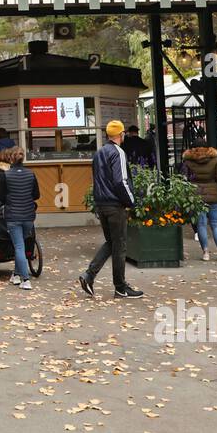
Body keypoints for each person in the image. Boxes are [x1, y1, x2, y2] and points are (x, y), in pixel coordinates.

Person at [78, 120, 143, 299]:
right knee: (120, 245)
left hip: (102, 204)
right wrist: (131, 201)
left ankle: (89, 275)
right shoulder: (118, 153)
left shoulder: (99, 153)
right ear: (121, 134)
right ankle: (120, 287)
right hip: (116, 205)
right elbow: (120, 180)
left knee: (112, 243)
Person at [182, 140, 217, 262]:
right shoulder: (214, 160)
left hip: (196, 196)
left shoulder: (188, 161)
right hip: (214, 195)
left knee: (201, 225)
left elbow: (184, 180)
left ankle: (206, 253)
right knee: (215, 224)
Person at [0, 146, 40, 291]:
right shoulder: (31, 174)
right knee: (21, 245)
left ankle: (25, 279)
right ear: (23, 157)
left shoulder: (6, 175)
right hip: (28, 216)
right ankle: (16, 275)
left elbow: (1, 197)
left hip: (13, 216)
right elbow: (36, 195)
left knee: (19, 247)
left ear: (11, 158)